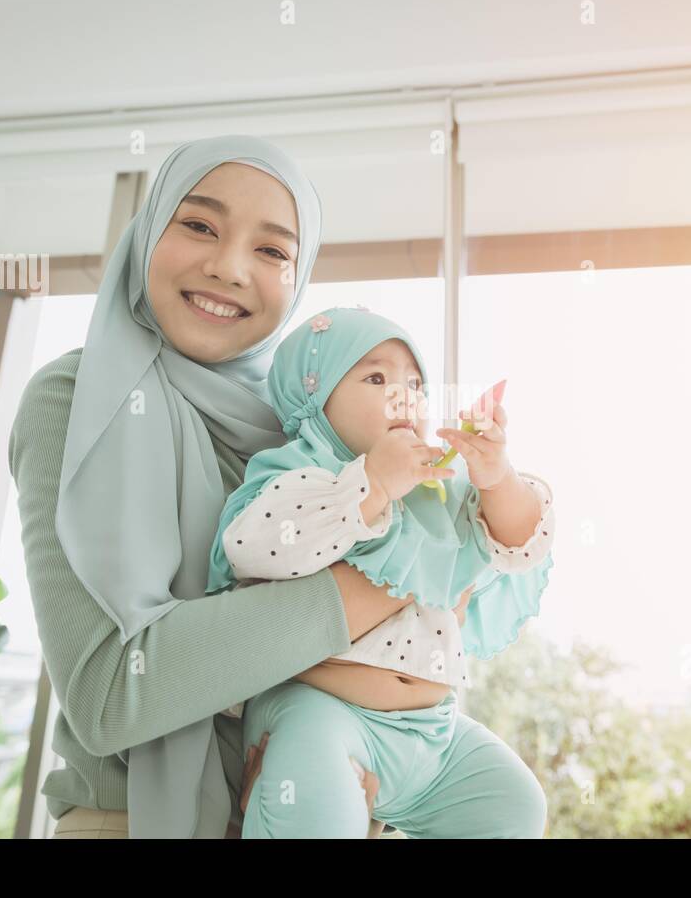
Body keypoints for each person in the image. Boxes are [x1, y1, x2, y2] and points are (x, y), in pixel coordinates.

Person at [8, 135, 421, 838]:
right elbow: (113, 692)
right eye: (198, 225)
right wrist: (381, 588)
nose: (229, 268)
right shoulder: (76, 399)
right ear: (147, 234)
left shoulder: (312, 441)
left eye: (272, 251)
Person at [203, 306, 555, 837]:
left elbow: (520, 543)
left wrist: (494, 475)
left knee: (515, 804)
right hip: (323, 712)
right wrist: (372, 484)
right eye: (376, 377)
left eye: (416, 383)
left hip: (433, 732)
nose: (405, 395)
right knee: (316, 813)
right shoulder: (308, 473)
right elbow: (254, 545)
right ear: (314, 400)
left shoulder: (444, 489)